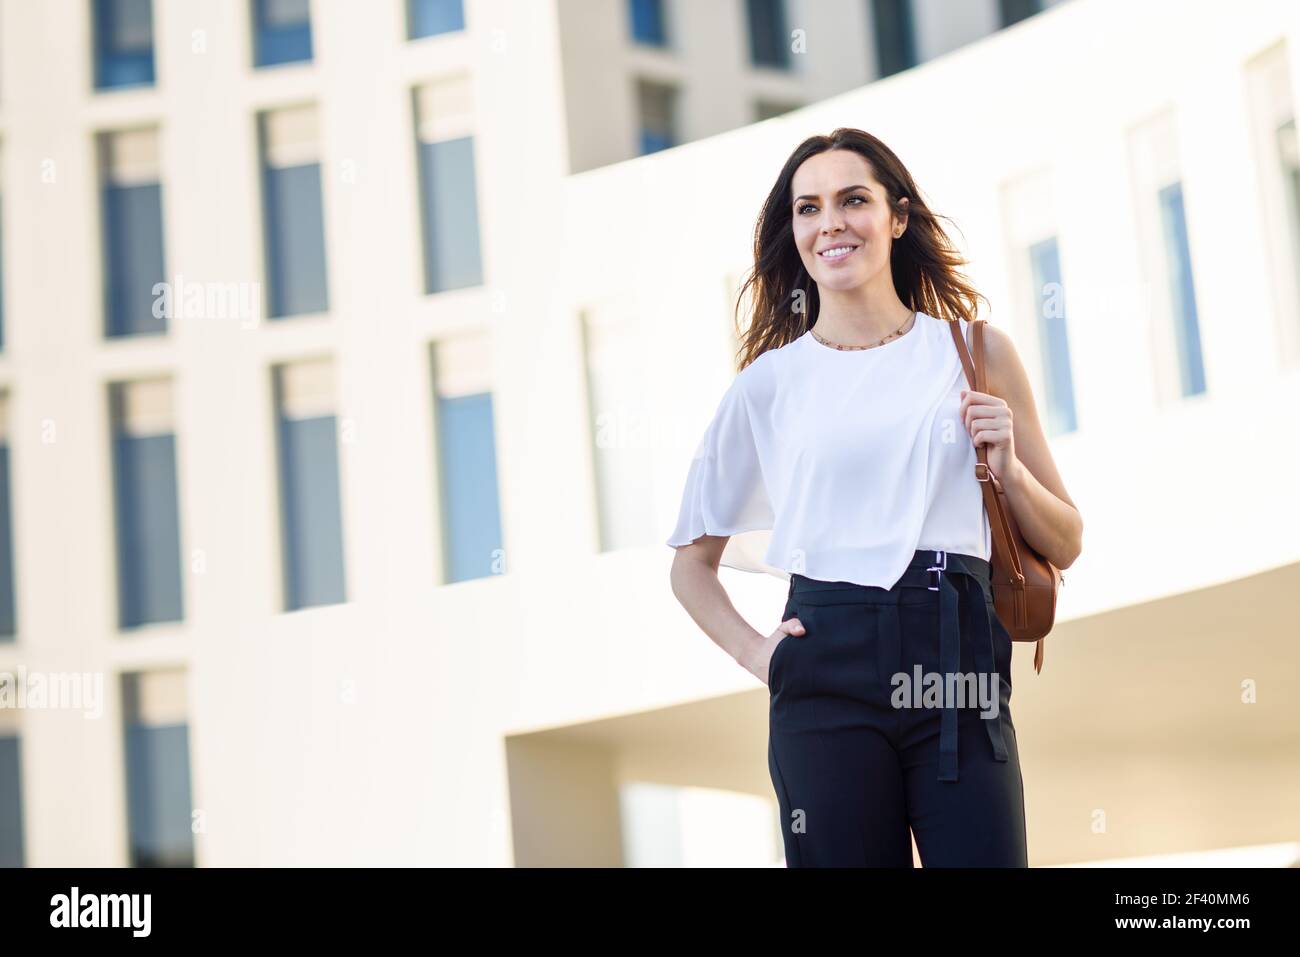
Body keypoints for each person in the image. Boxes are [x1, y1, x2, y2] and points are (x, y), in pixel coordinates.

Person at [665, 128, 1083, 867]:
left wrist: (1010, 468)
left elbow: (1067, 539)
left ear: (896, 217)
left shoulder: (977, 353)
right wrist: (762, 657)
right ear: (793, 232)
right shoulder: (767, 384)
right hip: (825, 667)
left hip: (955, 657)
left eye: (853, 199)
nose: (831, 221)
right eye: (808, 207)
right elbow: (689, 566)